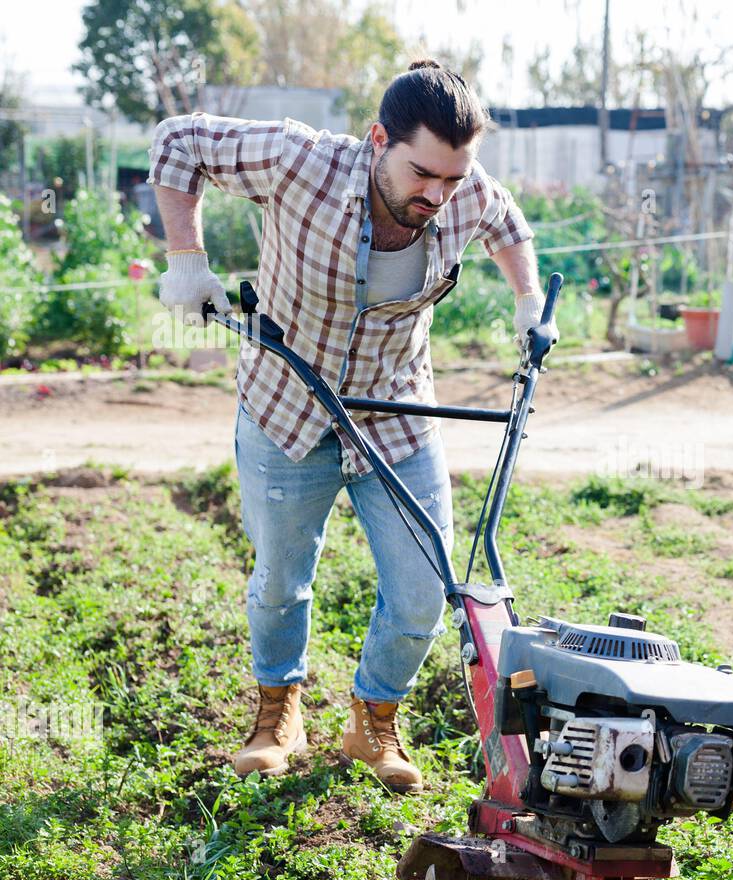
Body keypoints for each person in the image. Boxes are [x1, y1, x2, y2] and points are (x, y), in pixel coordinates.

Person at [147, 59, 542, 793]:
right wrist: (185, 260)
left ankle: (373, 719)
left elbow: (508, 224)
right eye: (423, 173)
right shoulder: (300, 159)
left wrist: (528, 304)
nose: (437, 194)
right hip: (287, 401)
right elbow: (177, 143)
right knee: (280, 581)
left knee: (426, 587)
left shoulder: (462, 191)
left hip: (396, 407)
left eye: (452, 180)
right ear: (377, 139)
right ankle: (277, 712)